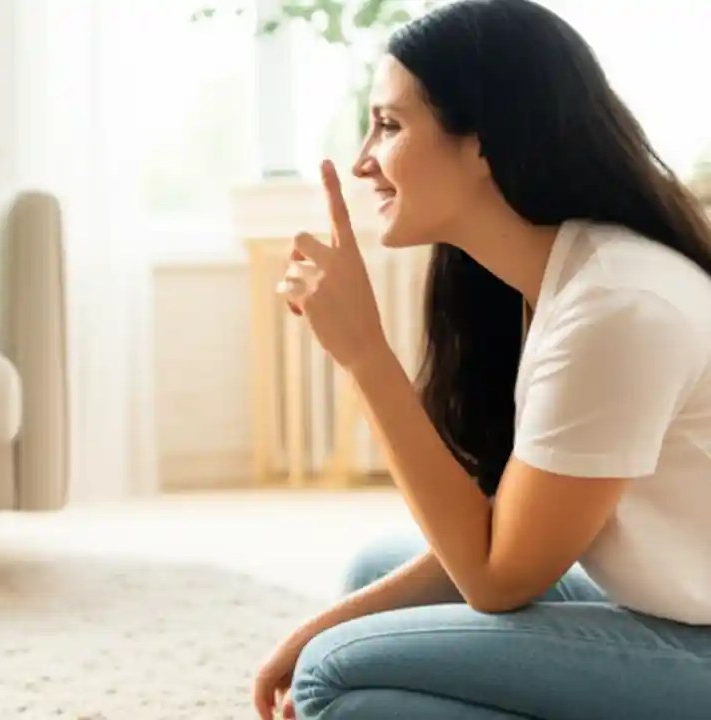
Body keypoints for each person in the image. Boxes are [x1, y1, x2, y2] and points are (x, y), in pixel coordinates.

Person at [253, 0, 711, 718]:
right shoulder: (559, 278)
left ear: (484, 142)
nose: (364, 159)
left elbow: (497, 579)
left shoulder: (617, 306)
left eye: (390, 125)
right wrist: (324, 624)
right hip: (673, 614)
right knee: (372, 578)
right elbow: (509, 528)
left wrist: (365, 354)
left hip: (700, 646)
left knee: (331, 680)